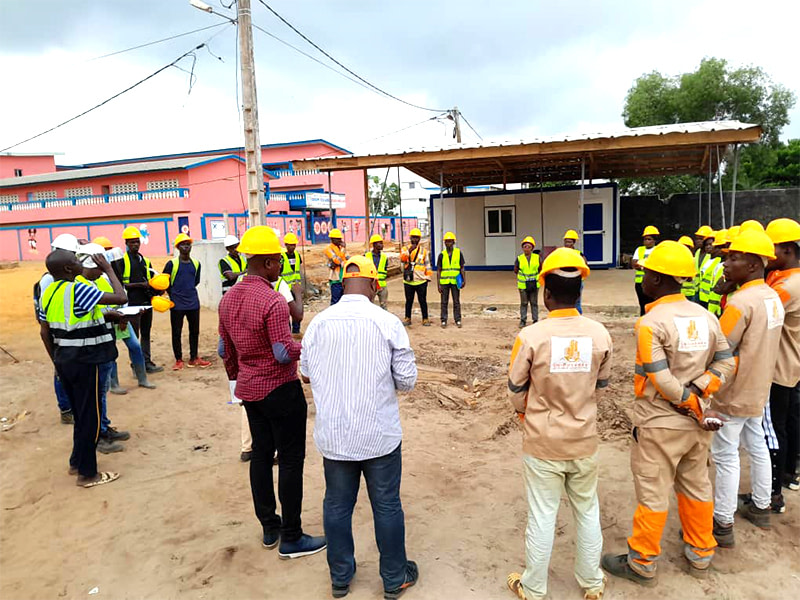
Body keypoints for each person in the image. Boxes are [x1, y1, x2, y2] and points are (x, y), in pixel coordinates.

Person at [601, 241, 734, 586]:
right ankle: (701, 552)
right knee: (696, 485)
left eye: (646, 273)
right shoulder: (706, 317)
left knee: (653, 491)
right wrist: (703, 389)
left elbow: (660, 378)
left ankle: (643, 561)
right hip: (696, 424)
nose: (642, 278)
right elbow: (727, 362)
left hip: (660, 423)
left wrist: (686, 399)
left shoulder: (650, 322)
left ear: (658, 279)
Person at [300, 255, 419, 600]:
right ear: (374, 284)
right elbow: (408, 381)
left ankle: (340, 578)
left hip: (335, 436)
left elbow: (306, 373)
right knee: (386, 505)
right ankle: (394, 578)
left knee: (337, 506)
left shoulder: (319, 324)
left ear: (343, 283)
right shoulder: (387, 323)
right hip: (379, 436)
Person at [504, 248, 611, 600]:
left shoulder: (532, 336)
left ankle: (533, 589)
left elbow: (516, 389)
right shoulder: (600, 334)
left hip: (543, 442)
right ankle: (592, 584)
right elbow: (602, 385)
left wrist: (526, 413)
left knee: (542, 516)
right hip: (584, 440)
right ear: (579, 292)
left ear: (546, 294)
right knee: (588, 511)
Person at [219, 226, 326, 560]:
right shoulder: (272, 300)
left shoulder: (228, 299)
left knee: (262, 457)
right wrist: (309, 348)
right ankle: (292, 536)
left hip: (251, 391)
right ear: (266, 263)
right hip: (280, 390)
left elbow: (225, 349)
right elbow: (282, 352)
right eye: (277, 260)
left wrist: (238, 381)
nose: (281, 265)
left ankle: (270, 527)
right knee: (291, 460)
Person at [710, 229, 784, 546]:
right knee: (757, 445)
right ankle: (761, 505)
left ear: (753, 264)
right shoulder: (771, 296)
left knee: (725, 455)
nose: (726, 263)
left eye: (734, 258)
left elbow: (720, 349)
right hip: (760, 386)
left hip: (734, 391)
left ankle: (722, 523)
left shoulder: (741, 303)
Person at [39, 248, 128, 487]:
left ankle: (77, 461)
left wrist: (55, 361)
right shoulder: (78, 288)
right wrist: (109, 269)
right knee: (91, 416)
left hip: (64, 359)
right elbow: (121, 298)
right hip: (86, 359)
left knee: (80, 414)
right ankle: (88, 474)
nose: (80, 263)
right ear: (68, 268)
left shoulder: (48, 292)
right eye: (75, 260)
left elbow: (50, 328)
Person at [76, 244, 133, 454]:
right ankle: (98, 436)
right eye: (98, 268)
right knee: (96, 396)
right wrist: (109, 270)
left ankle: (103, 427)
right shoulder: (81, 284)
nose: (101, 272)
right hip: (91, 348)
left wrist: (112, 315)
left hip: (102, 341)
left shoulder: (91, 281)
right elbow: (121, 297)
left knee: (100, 393)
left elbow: (101, 309)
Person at [763, 218, 800, 511]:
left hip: (780, 366)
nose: (767, 252)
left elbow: (762, 318)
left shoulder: (787, 287)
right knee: (789, 421)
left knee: (775, 429)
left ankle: (773, 493)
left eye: (771, 247)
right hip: (793, 364)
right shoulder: (788, 279)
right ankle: (789, 473)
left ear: (787, 249)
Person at [92, 236, 154, 395]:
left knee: (135, 346)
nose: (107, 255)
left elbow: (122, 295)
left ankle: (142, 378)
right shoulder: (91, 277)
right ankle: (114, 384)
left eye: (107, 251)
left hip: (120, 317)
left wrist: (123, 317)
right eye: (103, 252)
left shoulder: (112, 272)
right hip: (106, 320)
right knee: (111, 351)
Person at [34, 233, 80, 424]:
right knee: (59, 370)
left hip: (67, 328)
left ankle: (71, 404)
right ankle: (66, 409)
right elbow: (46, 312)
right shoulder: (49, 280)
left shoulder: (64, 275)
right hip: (56, 330)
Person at [218, 234, 251, 461]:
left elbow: (223, 350)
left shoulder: (229, 310)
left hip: (239, 368)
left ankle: (247, 448)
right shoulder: (253, 300)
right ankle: (252, 448)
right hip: (250, 370)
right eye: (231, 247)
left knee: (245, 406)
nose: (234, 250)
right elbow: (229, 276)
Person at [115, 226, 163, 373]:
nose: (135, 244)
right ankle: (136, 366)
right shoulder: (121, 261)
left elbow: (151, 280)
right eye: (132, 242)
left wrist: (157, 289)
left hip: (146, 302)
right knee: (134, 337)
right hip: (131, 304)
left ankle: (147, 362)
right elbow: (120, 284)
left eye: (137, 242)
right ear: (126, 243)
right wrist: (141, 285)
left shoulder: (145, 261)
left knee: (146, 334)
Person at [163, 233, 210, 370]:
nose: (186, 246)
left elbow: (196, 281)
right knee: (176, 332)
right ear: (177, 247)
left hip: (193, 303)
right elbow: (165, 282)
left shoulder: (196, 264)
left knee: (194, 331)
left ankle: (194, 357)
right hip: (177, 304)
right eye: (183, 244)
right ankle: (178, 359)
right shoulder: (172, 264)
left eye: (188, 244)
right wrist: (173, 295)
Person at [400, 228, 432, 327]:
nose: (415, 239)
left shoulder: (423, 251)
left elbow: (427, 265)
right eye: (413, 237)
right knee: (409, 301)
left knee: (422, 300)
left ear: (419, 239)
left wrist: (428, 277)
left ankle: (425, 319)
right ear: (410, 238)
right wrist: (410, 250)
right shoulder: (405, 249)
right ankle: (407, 318)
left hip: (421, 280)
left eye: (417, 238)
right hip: (409, 281)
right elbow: (402, 259)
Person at [437, 231, 465, 328]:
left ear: (453, 242)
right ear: (444, 243)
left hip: (455, 281)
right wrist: (438, 284)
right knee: (444, 302)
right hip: (444, 282)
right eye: (446, 241)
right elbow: (439, 270)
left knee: (456, 301)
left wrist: (464, 280)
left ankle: (458, 319)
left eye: (450, 241)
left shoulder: (458, 253)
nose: (448, 243)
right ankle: (443, 320)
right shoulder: (441, 255)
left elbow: (462, 267)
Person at [698, 230, 728, 315]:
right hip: (709, 301)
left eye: (720, 247)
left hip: (720, 306)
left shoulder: (725, 265)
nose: (719, 250)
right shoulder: (713, 261)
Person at [632, 226, 659, 316]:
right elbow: (634, 264)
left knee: (652, 304)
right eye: (645, 239)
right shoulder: (639, 250)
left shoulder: (657, 250)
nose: (646, 241)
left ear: (654, 240)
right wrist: (647, 266)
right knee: (642, 305)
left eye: (649, 239)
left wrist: (642, 264)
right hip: (640, 282)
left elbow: (657, 265)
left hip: (653, 283)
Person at [281, 232, 304, 334]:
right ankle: (287, 332)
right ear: (285, 245)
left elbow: (299, 270)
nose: (292, 247)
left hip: (295, 288)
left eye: (294, 245)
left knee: (296, 311)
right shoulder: (281, 257)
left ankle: (296, 330)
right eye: (290, 245)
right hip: (285, 289)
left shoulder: (297, 256)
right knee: (286, 312)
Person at [515, 236, 539, 328]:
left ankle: (535, 320)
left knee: (534, 302)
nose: (526, 248)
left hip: (534, 284)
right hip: (523, 285)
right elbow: (516, 270)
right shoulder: (519, 258)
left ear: (532, 248)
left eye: (529, 247)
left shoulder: (537, 258)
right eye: (525, 246)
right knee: (524, 303)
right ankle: (523, 320)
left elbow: (540, 268)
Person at [563, 230, 586, 314]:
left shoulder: (578, 254)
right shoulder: (561, 253)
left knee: (576, 302)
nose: (567, 244)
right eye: (566, 241)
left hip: (576, 280)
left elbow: (585, 265)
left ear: (574, 243)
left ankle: (578, 318)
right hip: (564, 280)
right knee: (565, 303)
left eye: (569, 242)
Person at [366, 234, 389, 310]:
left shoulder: (384, 257)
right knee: (369, 305)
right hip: (371, 285)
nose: (382, 245)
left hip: (382, 284)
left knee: (384, 306)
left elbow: (385, 269)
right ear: (374, 244)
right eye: (380, 243)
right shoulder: (366, 256)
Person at [325, 228, 348, 305]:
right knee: (335, 302)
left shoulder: (340, 248)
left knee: (344, 302)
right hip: (335, 279)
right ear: (332, 239)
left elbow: (347, 260)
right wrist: (343, 251)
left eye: (340, 239)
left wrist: (341, 262)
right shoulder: (328, 249)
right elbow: (337, 260)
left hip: (343, 278)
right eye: (338, 239)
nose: (340, 241)